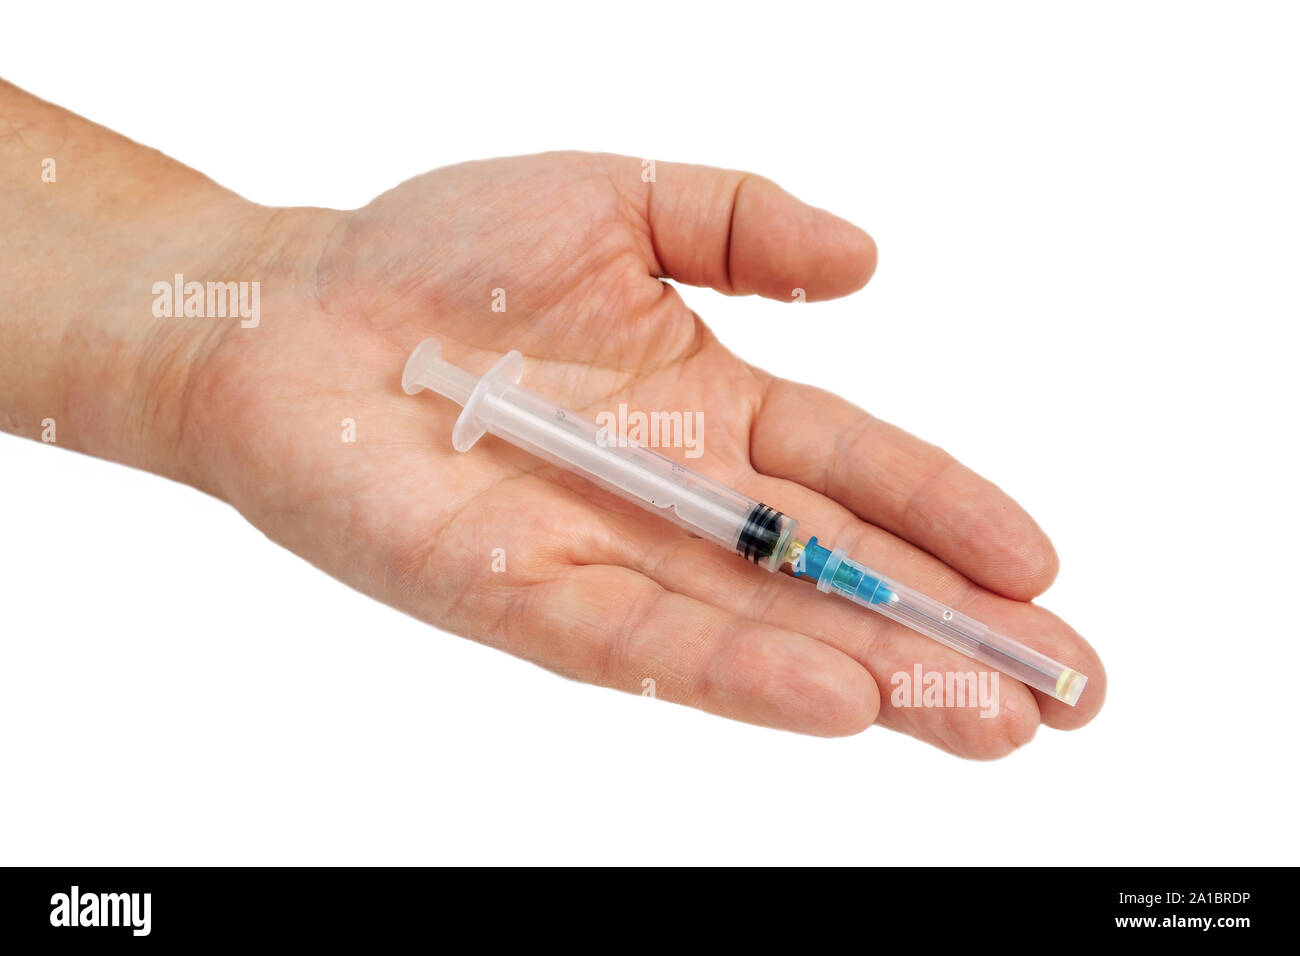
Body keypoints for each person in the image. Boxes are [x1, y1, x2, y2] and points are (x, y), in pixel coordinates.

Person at [0, 81, 1104, 757]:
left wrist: (211, 297)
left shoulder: (513, 407)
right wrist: (218, 308)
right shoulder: (500, 405)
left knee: (833, 608)